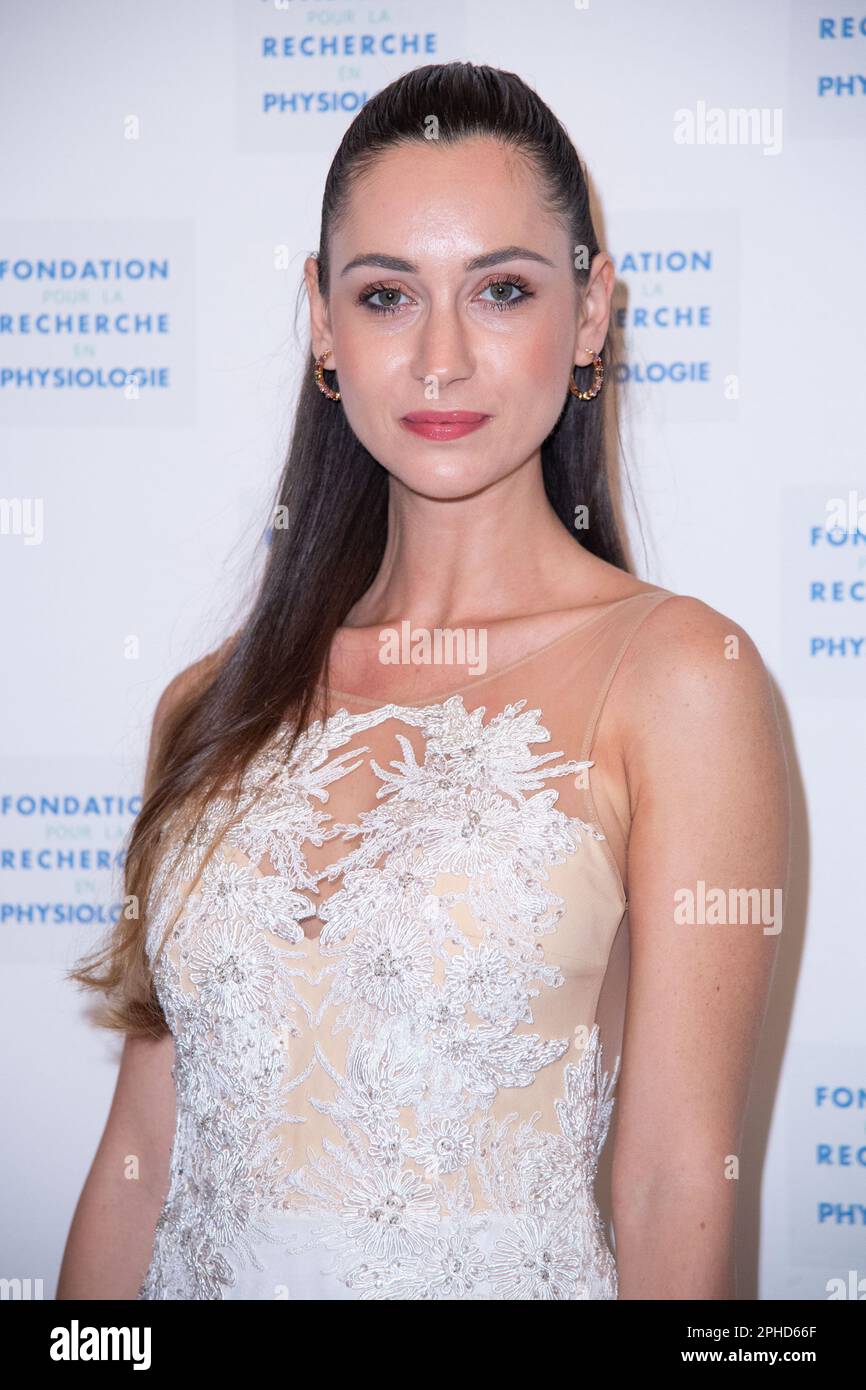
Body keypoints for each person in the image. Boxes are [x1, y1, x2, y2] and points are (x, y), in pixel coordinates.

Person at [58, 61, 789, 1301]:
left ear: (592, 312)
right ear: (323, 325)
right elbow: (139, 1157)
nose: (440, 359)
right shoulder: (207, 703)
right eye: (388, 294)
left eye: (500, 289)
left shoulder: (677, 678)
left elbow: (673, 1187)